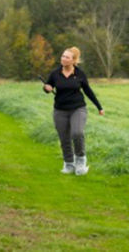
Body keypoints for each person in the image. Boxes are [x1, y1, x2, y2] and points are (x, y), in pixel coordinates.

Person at [43, 47, 104, 175]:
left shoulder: (80, 74)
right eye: (63, 56)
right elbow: (48, 86)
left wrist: (99, 107)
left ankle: (81, 161)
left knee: (77, 133)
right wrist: (47, 88)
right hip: (60, 110)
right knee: (64, 138)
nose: (63, 59)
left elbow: (88, 91)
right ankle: (69, 164)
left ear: (73, 60)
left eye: (67, 57)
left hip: (78, 109)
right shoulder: (55, 73)